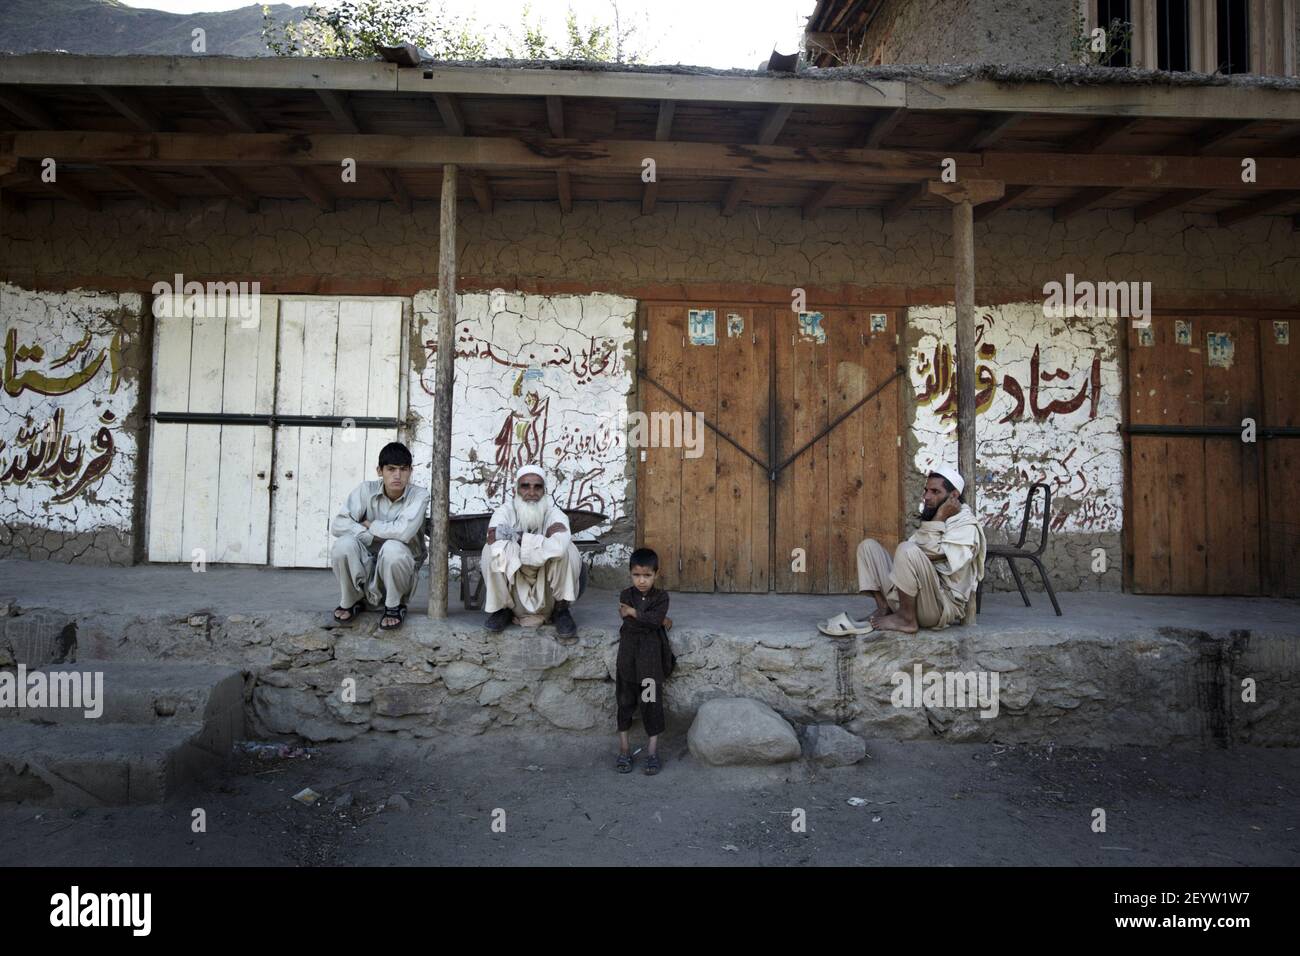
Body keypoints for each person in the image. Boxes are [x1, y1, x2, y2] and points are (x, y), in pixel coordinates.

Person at [830, 466, 985, 635]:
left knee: (906, 549)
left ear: (953, 496)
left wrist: (940, 517)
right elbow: (918, 550)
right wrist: (937, 517)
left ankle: (906, 619)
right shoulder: (934, 516)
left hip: (938, 607)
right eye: (926, 490)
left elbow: (932, 555)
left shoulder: (966, 525)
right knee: (868, 547)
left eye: (935, 492)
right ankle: (884, 608)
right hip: (917, 598)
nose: (926, 496)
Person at [329, 441, 429, 630]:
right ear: (379, 470)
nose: (397, 475)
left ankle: (394, 605)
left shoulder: (420, 495)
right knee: (343, 544)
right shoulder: (366, 490)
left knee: (392, 548)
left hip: (400, 570)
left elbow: (404, 532)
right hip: (366, 566)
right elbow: (338, 524)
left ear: (410, 471)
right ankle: (351, 600)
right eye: (391, 469)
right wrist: (367, 535)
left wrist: (371, 525)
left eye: (403, 469)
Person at [481, 464, 582, 636]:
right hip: (515, 594)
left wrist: (518, 538)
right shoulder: (505, 512)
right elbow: (492, 538)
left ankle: (561, 609)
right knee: (490, 550)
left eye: (538, 486)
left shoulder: (555, 514)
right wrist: (541, 545)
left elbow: (559, 545)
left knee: (569, 550)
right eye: (525, 486)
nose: (532, 492)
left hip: (548, 595)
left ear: (544, 491)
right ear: (516, 490)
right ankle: (501, 610)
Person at [615, 547, 675, 776]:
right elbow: (637, 622)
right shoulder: (625, 595)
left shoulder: (662, 597)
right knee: (625, 703)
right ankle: (624, 749)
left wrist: (638, 614)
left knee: (651, 705)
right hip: (628, 663)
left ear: (656, 575)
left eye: (647, 576)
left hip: (650, 666)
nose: (642, 581)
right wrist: (656, 620)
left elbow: (651, 620)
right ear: (630, 574)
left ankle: (651, 752)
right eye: (637, 575)